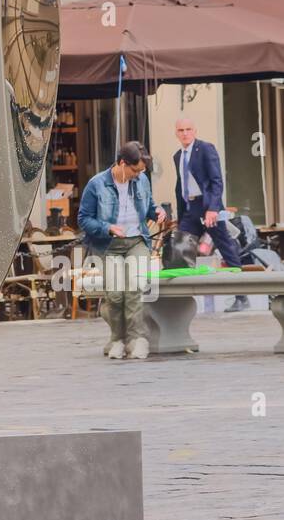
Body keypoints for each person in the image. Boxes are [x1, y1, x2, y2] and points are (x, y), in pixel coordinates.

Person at [78, 141, 165, 361]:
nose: (138, 175)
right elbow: (83, 219)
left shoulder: (141, 179)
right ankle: (117, 339)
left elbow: (149, 205)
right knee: (115, 295)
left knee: (133, 289)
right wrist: (107, 227)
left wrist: (157, 212)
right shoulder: (96, 184)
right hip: (109, 245)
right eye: (135, 170)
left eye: (141, 172)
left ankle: (137, 339)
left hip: (136, 241)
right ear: (122, 163)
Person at [173, 117, 247, 312]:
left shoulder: (205, 149)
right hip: (190, 208)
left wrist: (213, 208)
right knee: (180, 248)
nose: (185, 133)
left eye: (189, 129)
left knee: (225, 247)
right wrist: (180, 215)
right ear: (176, 133)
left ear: (195, 131)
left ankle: (242, 296)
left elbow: (216, 181)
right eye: (181, 130)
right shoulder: (177, 156)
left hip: (209, 207)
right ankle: (181, 299)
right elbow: (180, 185)